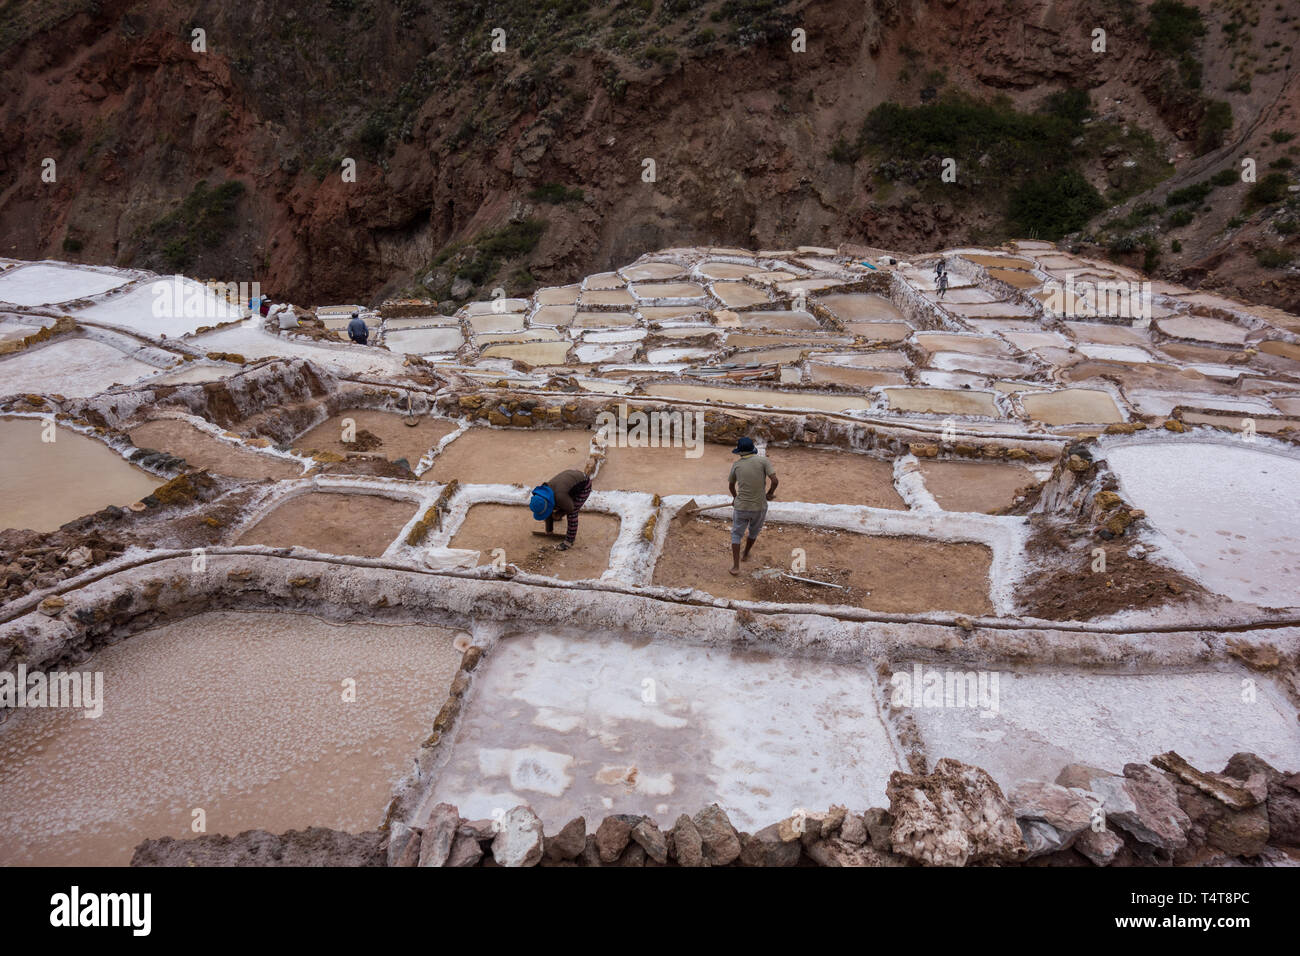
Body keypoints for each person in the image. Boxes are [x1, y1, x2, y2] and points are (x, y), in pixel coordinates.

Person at [727, 436, 778, 576]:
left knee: (736, 534)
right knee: (754, 531)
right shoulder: (763, 461)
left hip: (741, 507)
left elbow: (731, 486)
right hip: (759, 507)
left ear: (740, 452)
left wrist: (735, 498)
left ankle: (736, 566)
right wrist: (769, 494)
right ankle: (746, 553)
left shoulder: (736, 465)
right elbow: (775, 480)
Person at [529, 468, 592, 551]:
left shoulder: (560, 496)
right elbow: (547, 510)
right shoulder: (543, 493)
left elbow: (570, 508)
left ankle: (569, 541)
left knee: (572, 513)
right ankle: (557, 515)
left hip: (584, 484)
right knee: (557, 504)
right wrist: (549, 529)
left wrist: (559, 513)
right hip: (568, 483)